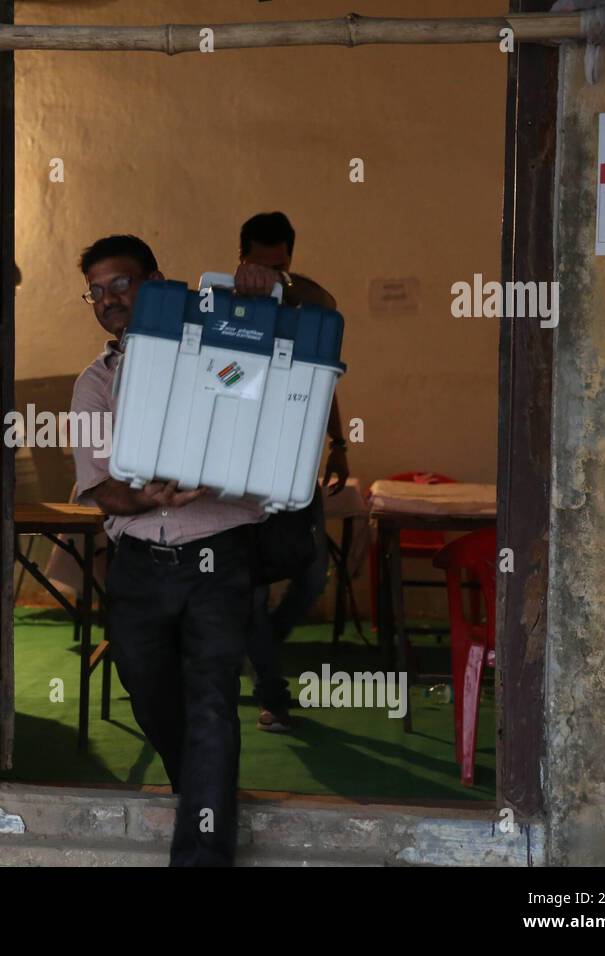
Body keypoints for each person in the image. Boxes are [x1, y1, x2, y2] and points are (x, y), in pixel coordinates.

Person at [69, 235, 266, 867]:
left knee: (211, 700)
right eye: (96, 291)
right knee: (149, 690)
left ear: (156, 280)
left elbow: (253, 396)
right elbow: (100, 487)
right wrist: (147, 495)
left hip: (218, 554)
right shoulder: (94, 384)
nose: (108, 299)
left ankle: (201, 854)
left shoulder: (220, 349)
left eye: (121, 283)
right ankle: (198, 794)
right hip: (139, 566)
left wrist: (254, 297)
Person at [232, 212, 349, 733]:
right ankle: (271, 694)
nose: (271, 273)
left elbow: (323, 376)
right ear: (242, 258)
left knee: (311, 574)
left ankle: (256, 653)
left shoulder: (307, 303)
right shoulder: (221, 304)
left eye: (280, 265)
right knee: (252, 586)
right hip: (237, 468)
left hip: (297, 463)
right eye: (261, 264)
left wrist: (339, 444)